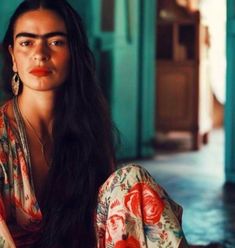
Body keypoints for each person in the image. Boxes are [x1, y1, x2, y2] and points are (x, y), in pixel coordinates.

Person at [0, 0, 188, 247]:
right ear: (13, 56)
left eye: (56, 42)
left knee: (132, 180)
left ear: (73, 53)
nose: (40, 53)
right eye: (27, 42)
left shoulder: (87, 126)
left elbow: (106, 221)